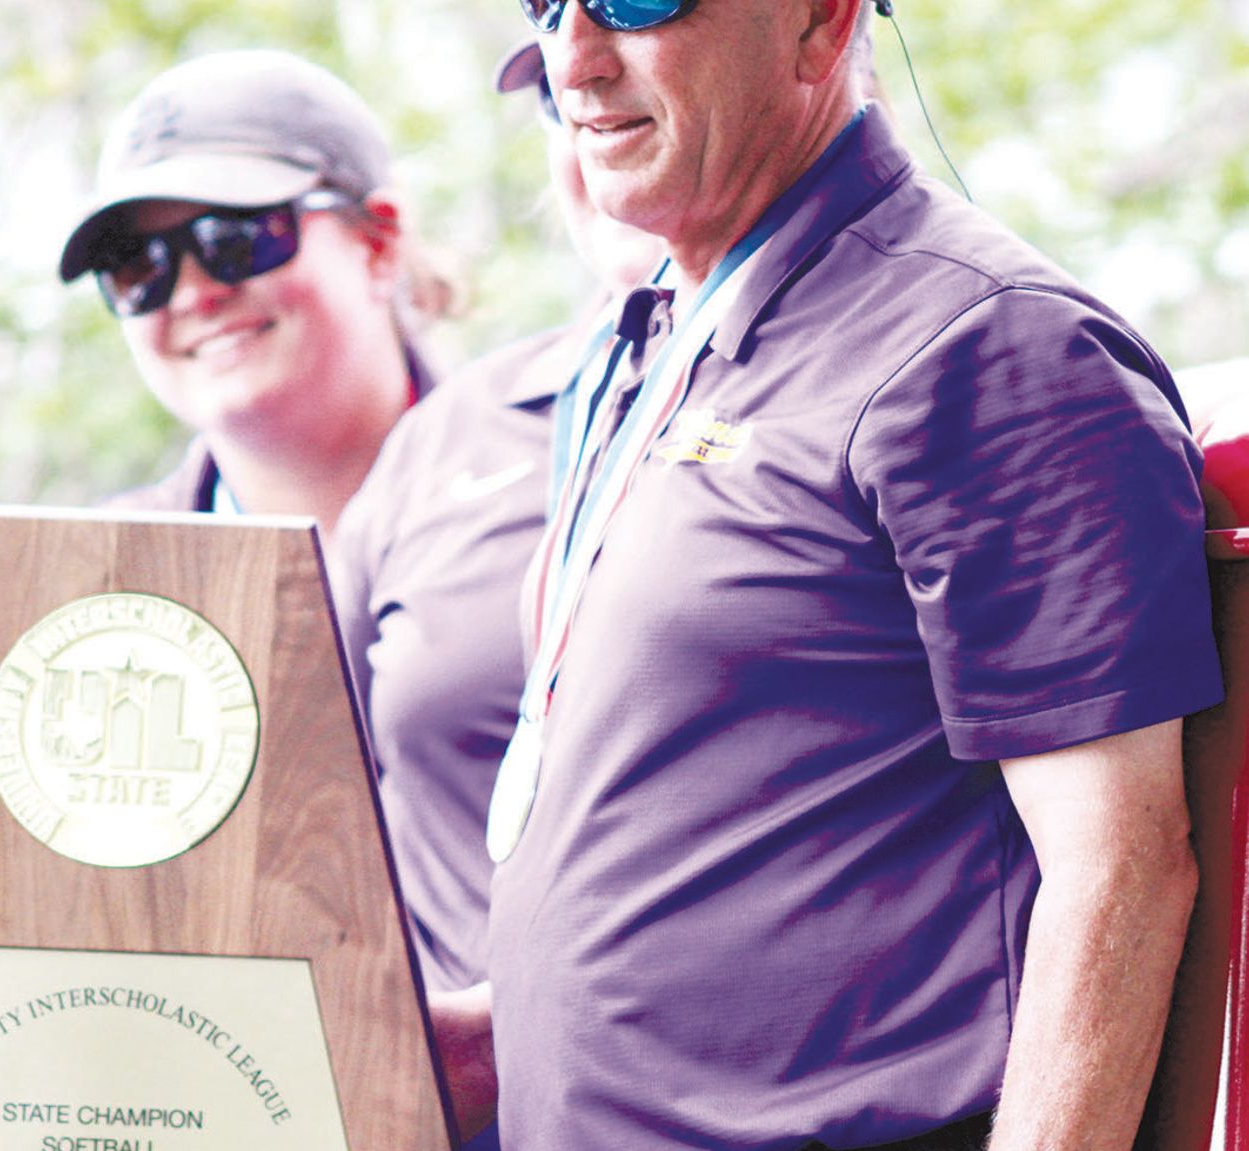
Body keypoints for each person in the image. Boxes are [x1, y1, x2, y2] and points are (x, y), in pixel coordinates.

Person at [461, 0, 1223, 1148]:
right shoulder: (660, 340)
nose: (573, 52)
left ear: (819, 21)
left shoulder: (991, 346)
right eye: (544, 1)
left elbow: (1120, 870)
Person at [0, 48, 435, 938]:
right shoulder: (84, 581)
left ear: (379, 239)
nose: (197, 292)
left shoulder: (561, 482)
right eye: (140, 267)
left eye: (237, 235)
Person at [330, 38, 659, 1148]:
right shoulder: (448, 436)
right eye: (568, 117)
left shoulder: (908, 367)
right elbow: (302, 796)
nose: (598, 129)